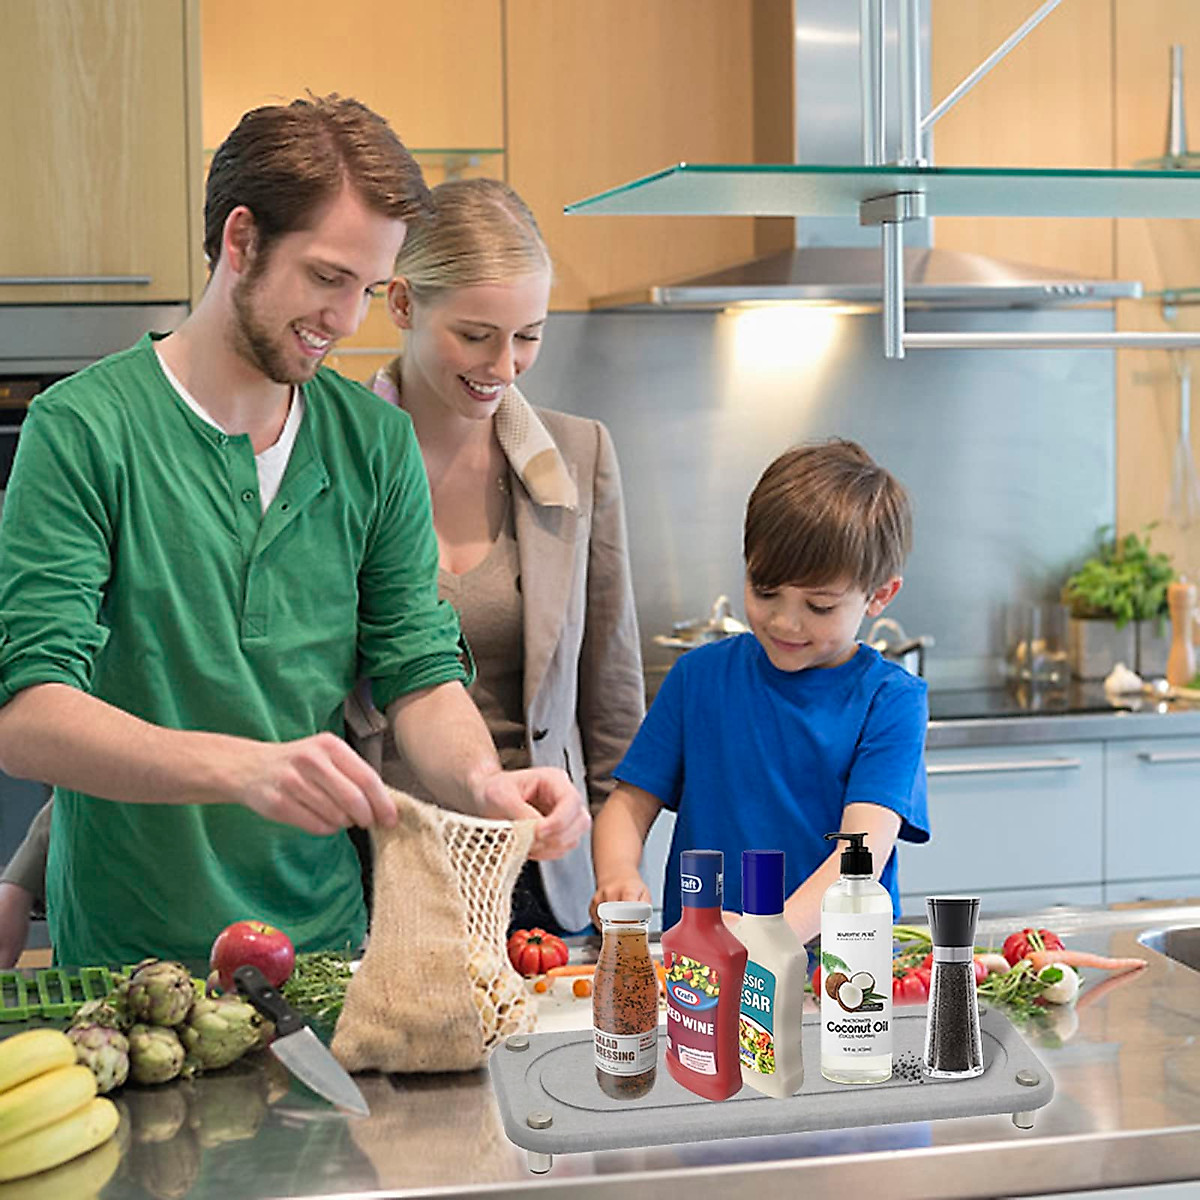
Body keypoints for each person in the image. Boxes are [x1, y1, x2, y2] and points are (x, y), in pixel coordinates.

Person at [0, 96, 588, 968]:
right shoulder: (83, 429)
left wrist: (484, 782)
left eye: (364, 285)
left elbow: (418, 671)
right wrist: (245, 768)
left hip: (325, 949)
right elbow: (30, 715)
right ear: (241, 241)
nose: (347, 319)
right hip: (131, 954)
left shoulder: (372, 443)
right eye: (325, 277)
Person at [344, 177, 645, 935]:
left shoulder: (579, 455)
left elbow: (611, 700)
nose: (505, 366)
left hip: (541, 878)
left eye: (529, 335)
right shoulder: (326, 451)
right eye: (476, 335)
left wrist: (616, 865)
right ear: (403, 304)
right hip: (369, 869)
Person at [590, 440, 930, 941]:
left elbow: (860, 856)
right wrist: (617, 872)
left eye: (819, 606)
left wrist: (772, 934)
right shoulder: (699, 678)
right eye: (765, 591)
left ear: (879, 595)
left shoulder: (891, 700)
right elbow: (627, 804)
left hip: (838, 970)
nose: (784, 621)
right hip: (706, 963)